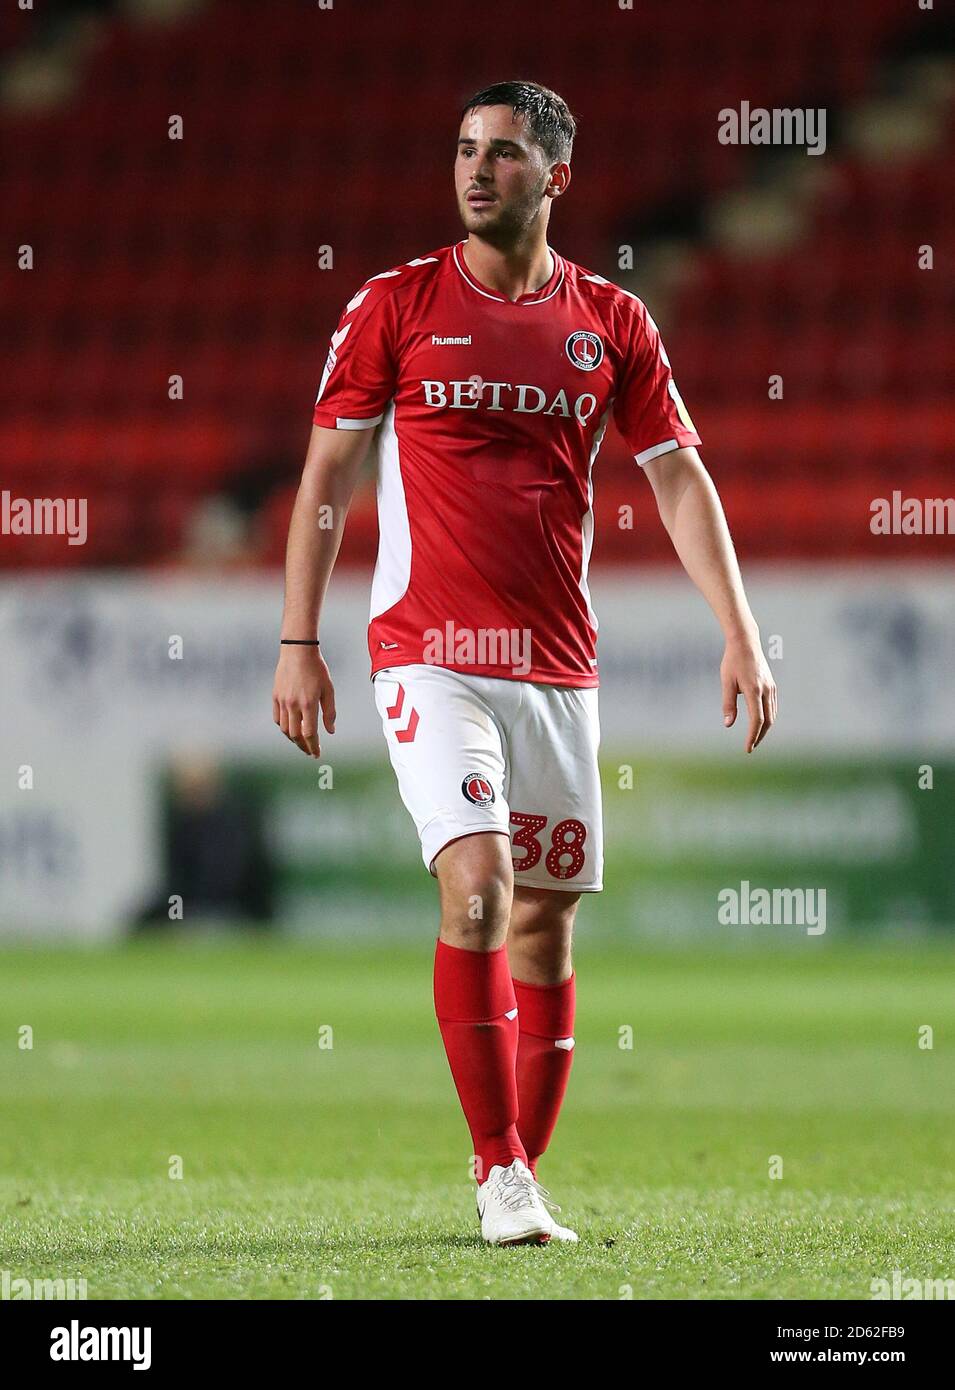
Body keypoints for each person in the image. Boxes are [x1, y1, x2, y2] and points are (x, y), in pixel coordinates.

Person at [272, 80, 777, 1246]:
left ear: (556, 178)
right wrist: (299, 641)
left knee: (544, 926)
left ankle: (514, 1168)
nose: (474, 169)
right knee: (482, 889)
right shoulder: (393, 305)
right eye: (462, 150)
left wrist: (740, 628)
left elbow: (677, 476)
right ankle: (502, 1172)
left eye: (501, 153)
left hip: (554, 666)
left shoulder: (613, 321)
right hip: (428, 652)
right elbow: (325, 483)